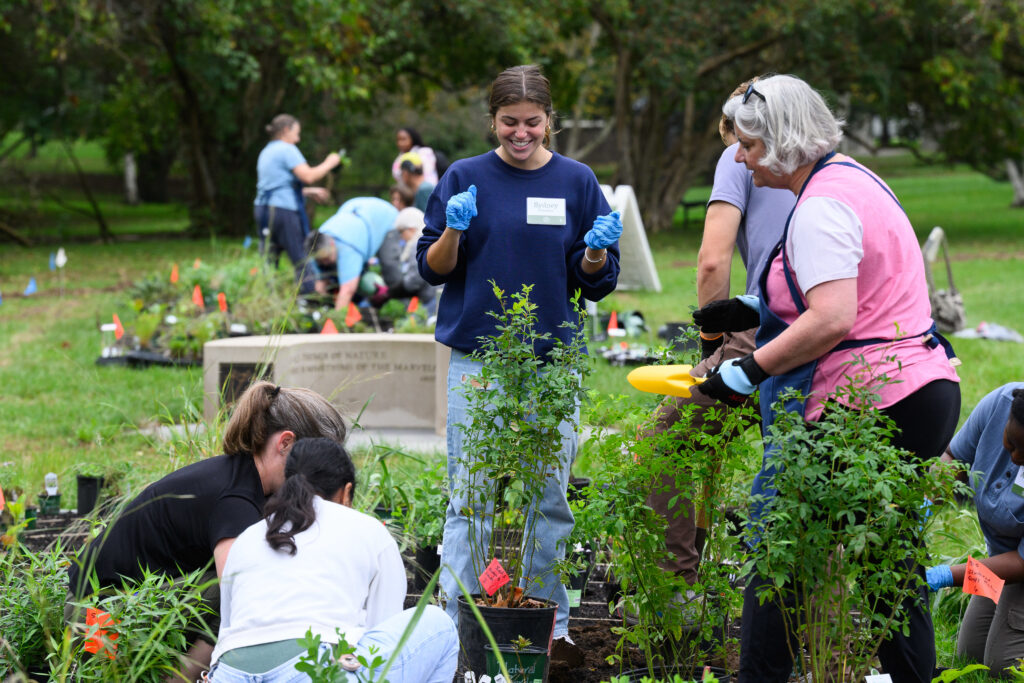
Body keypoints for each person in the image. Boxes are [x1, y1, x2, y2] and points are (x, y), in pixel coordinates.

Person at [693, 74, 961, 682]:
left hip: (869, 402)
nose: (741, 159)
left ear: (783, 142)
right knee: (887, 564)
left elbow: (834, 318)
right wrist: (751, 309)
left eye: (750, 147)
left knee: (776, 549)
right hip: (921, 387)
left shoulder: (819, 206)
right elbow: (860, 292)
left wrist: (748, 370)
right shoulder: (855, 179)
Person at [416, 64, 622, 662]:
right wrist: (454, 230)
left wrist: (593, 253)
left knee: (548, 499)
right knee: (471, 497)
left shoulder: (577, 181)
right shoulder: (465, 176)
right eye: (510, 121)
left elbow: (597, 280)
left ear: (549, 121)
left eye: (533, 122)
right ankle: (456, 630)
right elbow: (433, 268)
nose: (521, 133)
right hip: (479, 361)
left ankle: (548, 628)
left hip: (551, 365)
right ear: (493, 120)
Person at [66, 381, 348, 682]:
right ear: (285, 444)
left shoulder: (241, 476)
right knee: (238, 589)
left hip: (105, 610)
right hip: (95, 621)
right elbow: (244, 600)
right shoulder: (236, 499)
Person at [641, 77, 795, 613]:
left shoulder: (738, 155)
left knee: (664, 443)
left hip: (763, 328)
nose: (740, 156)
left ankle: (676, 591)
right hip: (829, 327)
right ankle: (815, 607)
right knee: (799, 462)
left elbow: (712, 261)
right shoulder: (827, 164)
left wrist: (713, 340)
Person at [207, 437, 459, 682]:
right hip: (311, 668)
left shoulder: (247, 538)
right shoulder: (368, 530)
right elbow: (380, 634)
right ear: (346, 492)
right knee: (440, 625)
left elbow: (230, 626)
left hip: (230, 672)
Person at [926, 383, 1024, 677]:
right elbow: (953, 457)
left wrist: (945, 575)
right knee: (970, 654)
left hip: (1018, 565)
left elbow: (1021, 563)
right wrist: (924, 502)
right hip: (1000, 558)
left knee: (1004, 666)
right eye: (1011, 443)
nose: (1016, 457)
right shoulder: (1001, 402)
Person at [254, 114, 341, 293]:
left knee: (269, 258)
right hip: (283, 212)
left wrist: (308, 192)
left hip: (262, 210)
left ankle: (267, 298)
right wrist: (329, 163)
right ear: (286, 130)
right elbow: (308, 176)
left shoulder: (266, 151)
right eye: (296, 133)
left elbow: (275, 185)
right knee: (301, 258)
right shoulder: (287, 149)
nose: (298, 139)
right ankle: (307, 302)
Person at [304, 197, 399, 312]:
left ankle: (398, 304)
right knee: (337, 276)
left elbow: (348, 290)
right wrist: (322, 308)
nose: (324, 263)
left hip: (384, 218)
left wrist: (335, 318)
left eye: (326, 258)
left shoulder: (347, 248)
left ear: (332, 244)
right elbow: (321, 284)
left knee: (384, 271)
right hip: (356, 213)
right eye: (320, 261)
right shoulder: (316, 246)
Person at [377, 207, 436, 308]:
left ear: (411, 229)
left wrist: (390, 293)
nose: (401, 237)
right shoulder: (430, 239)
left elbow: (415, 280)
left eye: (401, 232)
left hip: (432, 298)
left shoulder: (418, 245)